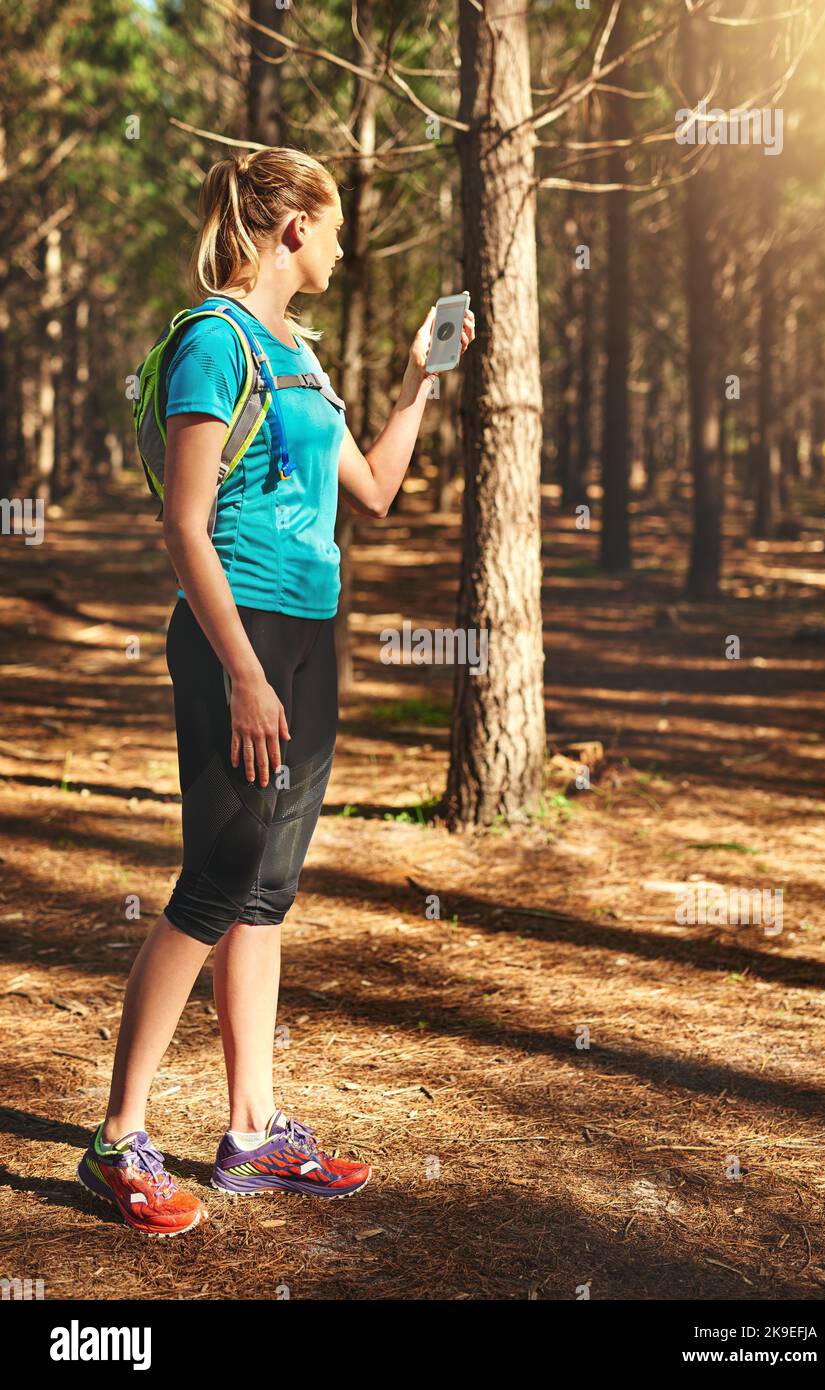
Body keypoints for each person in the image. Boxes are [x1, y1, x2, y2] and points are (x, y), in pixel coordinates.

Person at [76, 146, 475, 1236]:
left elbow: (379, 493)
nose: (343, 243)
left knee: (266, 886)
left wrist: (417, 380)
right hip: (234, 636)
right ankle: (116, 1138)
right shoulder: (217, 339)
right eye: (335, 224)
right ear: (292, 225)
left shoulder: (303, 357)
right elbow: (183, 524)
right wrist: (244, 674)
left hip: (310, 635)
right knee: (214, 876)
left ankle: (249, 1133)